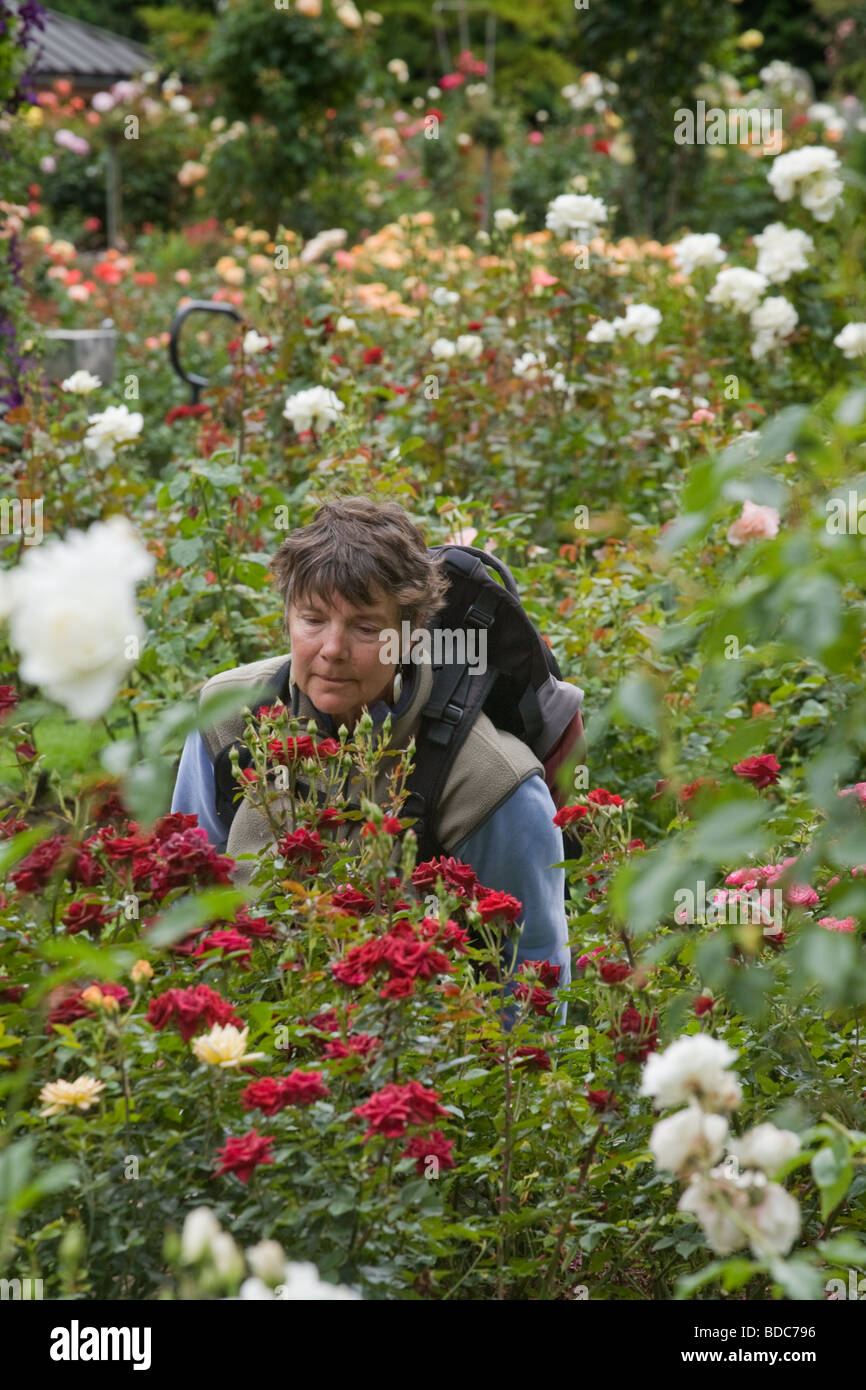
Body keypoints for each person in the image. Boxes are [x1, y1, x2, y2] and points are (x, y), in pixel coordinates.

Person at [171, 498, 572, 1007]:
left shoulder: (489, 780)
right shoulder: (226, 715)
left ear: (410, 635)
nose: (333, 649)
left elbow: (535, 969)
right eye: (312, 619)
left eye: (365, 628)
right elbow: (186, 894)